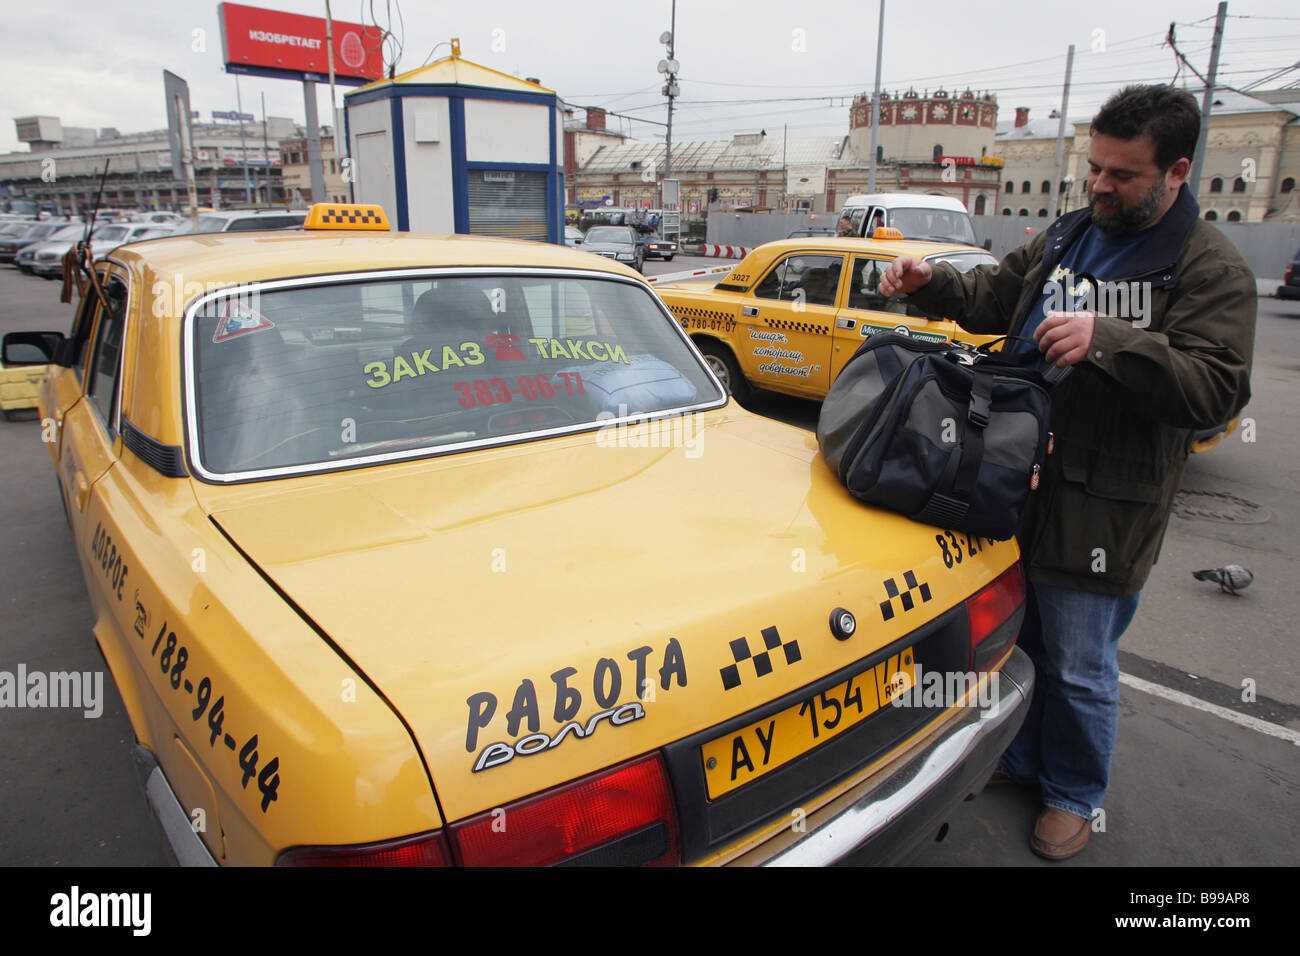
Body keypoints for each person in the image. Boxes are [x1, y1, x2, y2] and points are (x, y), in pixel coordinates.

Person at [879, 84, 1256, 860]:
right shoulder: (1073, 233)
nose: (1100, 186)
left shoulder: (1208, 266)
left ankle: (1076, 796)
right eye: (1095, 168)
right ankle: (1023, 759)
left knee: (1082, 667)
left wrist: (1110, 340)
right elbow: (999, 296)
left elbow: (1216, 389)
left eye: (1122, 175)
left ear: (1177, 171)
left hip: (1105, 508)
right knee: (1028, 644)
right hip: (1018, 483)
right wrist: (932, 285)